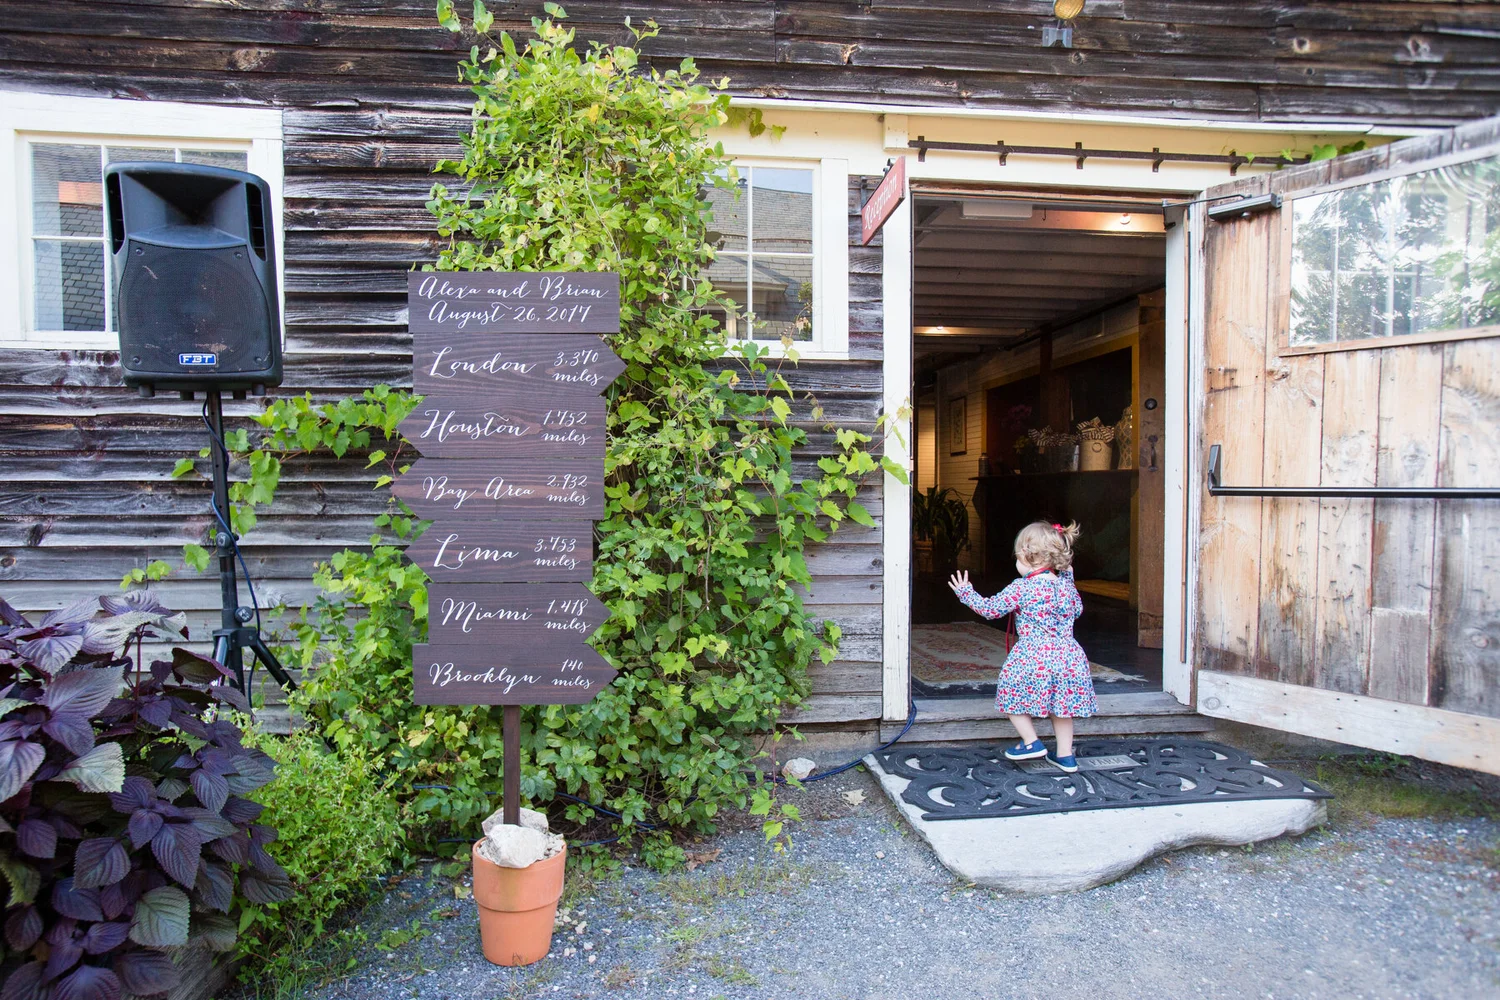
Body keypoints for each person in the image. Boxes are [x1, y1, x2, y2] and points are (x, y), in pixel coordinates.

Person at [947, 520, 1097, 773]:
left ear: (1026, 556)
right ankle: (1065, 756)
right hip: (1069, 656)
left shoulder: (1023, 587)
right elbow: (1078, 610)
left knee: (1009, 693)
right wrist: (1069, 577)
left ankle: (1031, 742)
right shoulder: (1065, 587)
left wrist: (966, 593)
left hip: (1033, 654)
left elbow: (990, 609)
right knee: (1061, 707)